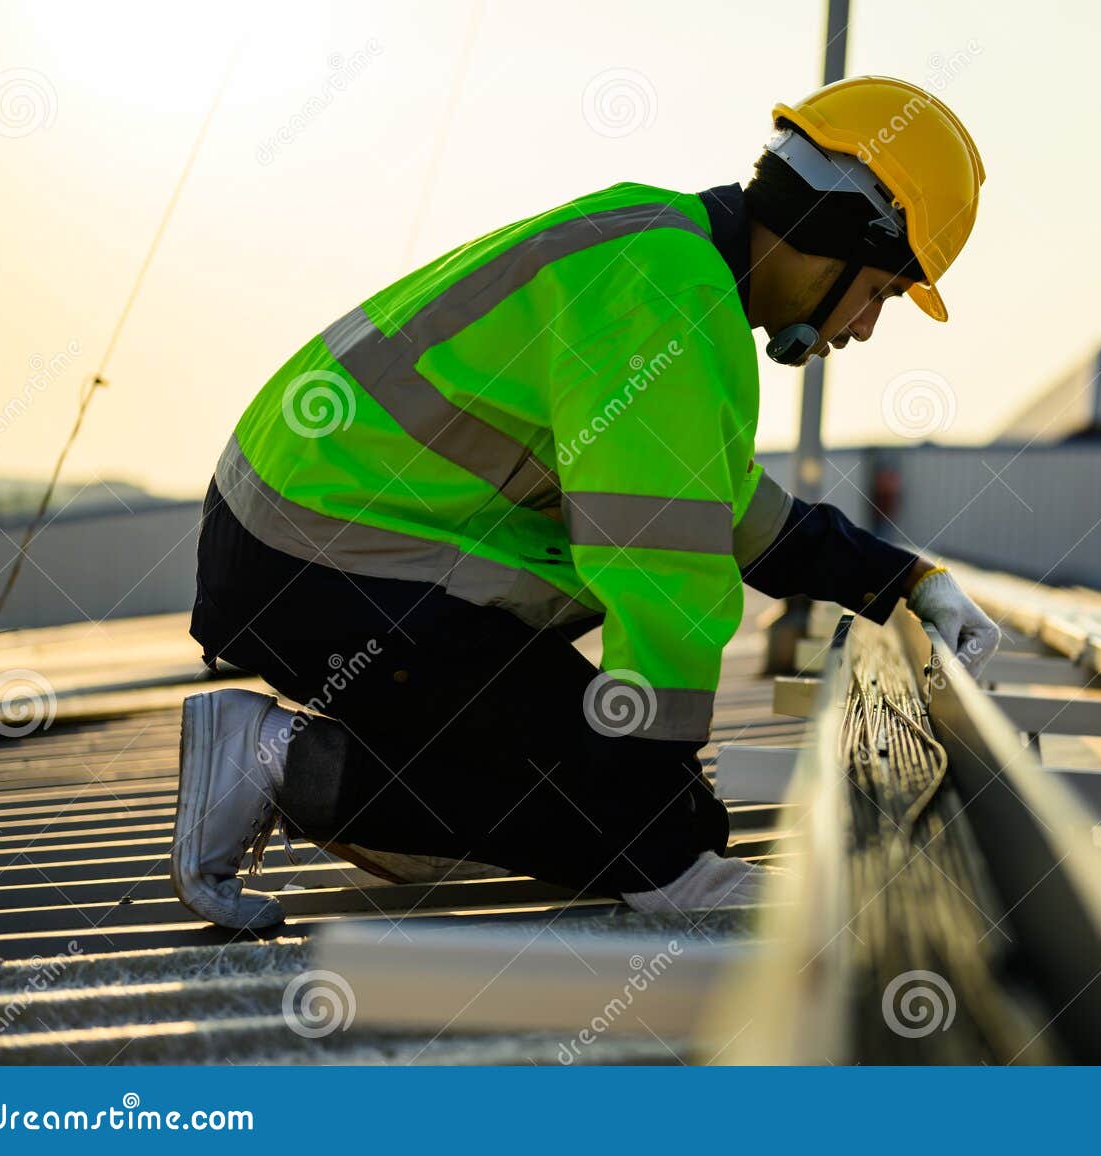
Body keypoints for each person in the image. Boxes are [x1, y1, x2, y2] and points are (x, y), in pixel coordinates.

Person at [173, 75, 1001, 930]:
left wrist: (905, 582)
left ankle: (349, 779)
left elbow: (730, 510)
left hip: (315, 540)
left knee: (661, 811)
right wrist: (660, 852)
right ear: (837, 231)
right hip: (324, 559)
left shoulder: (671, 254)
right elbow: (662, 566)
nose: (864, 326)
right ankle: (272, 759)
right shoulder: (671, 301)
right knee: (643, 824)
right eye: (881, 291)